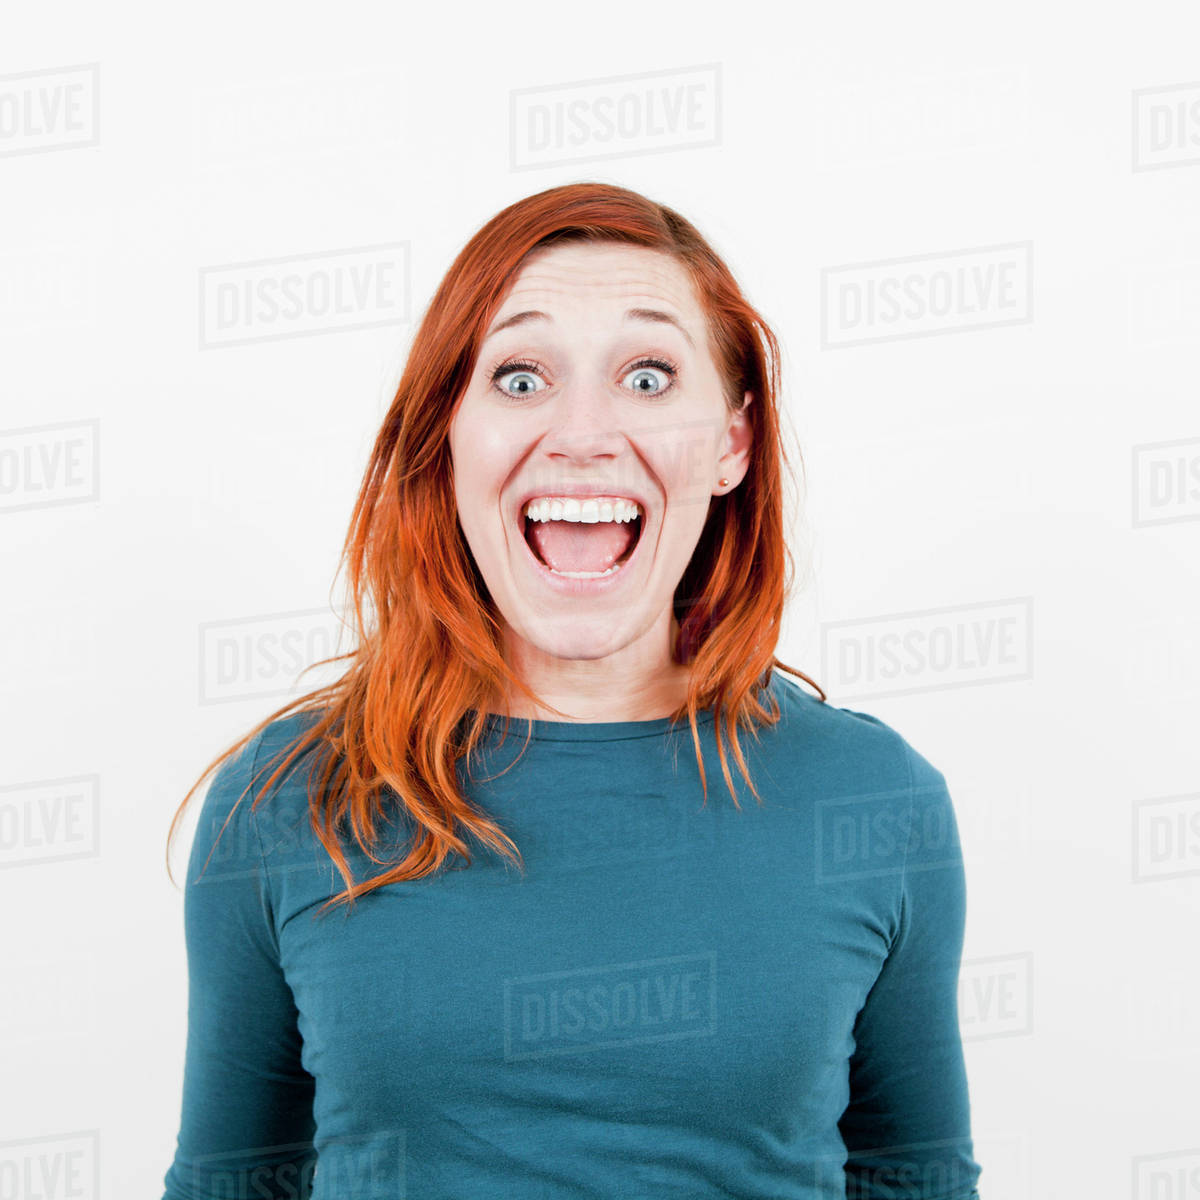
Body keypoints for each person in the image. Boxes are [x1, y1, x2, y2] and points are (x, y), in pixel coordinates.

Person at [161, 182, 983, 1199]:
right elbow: (233, 1184)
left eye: (647, 376)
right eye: (519, 377)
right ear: (447, 435)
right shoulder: (282, 798)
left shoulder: (875, 799)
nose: (583, 432)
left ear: (731, 443)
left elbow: (913, 1177)